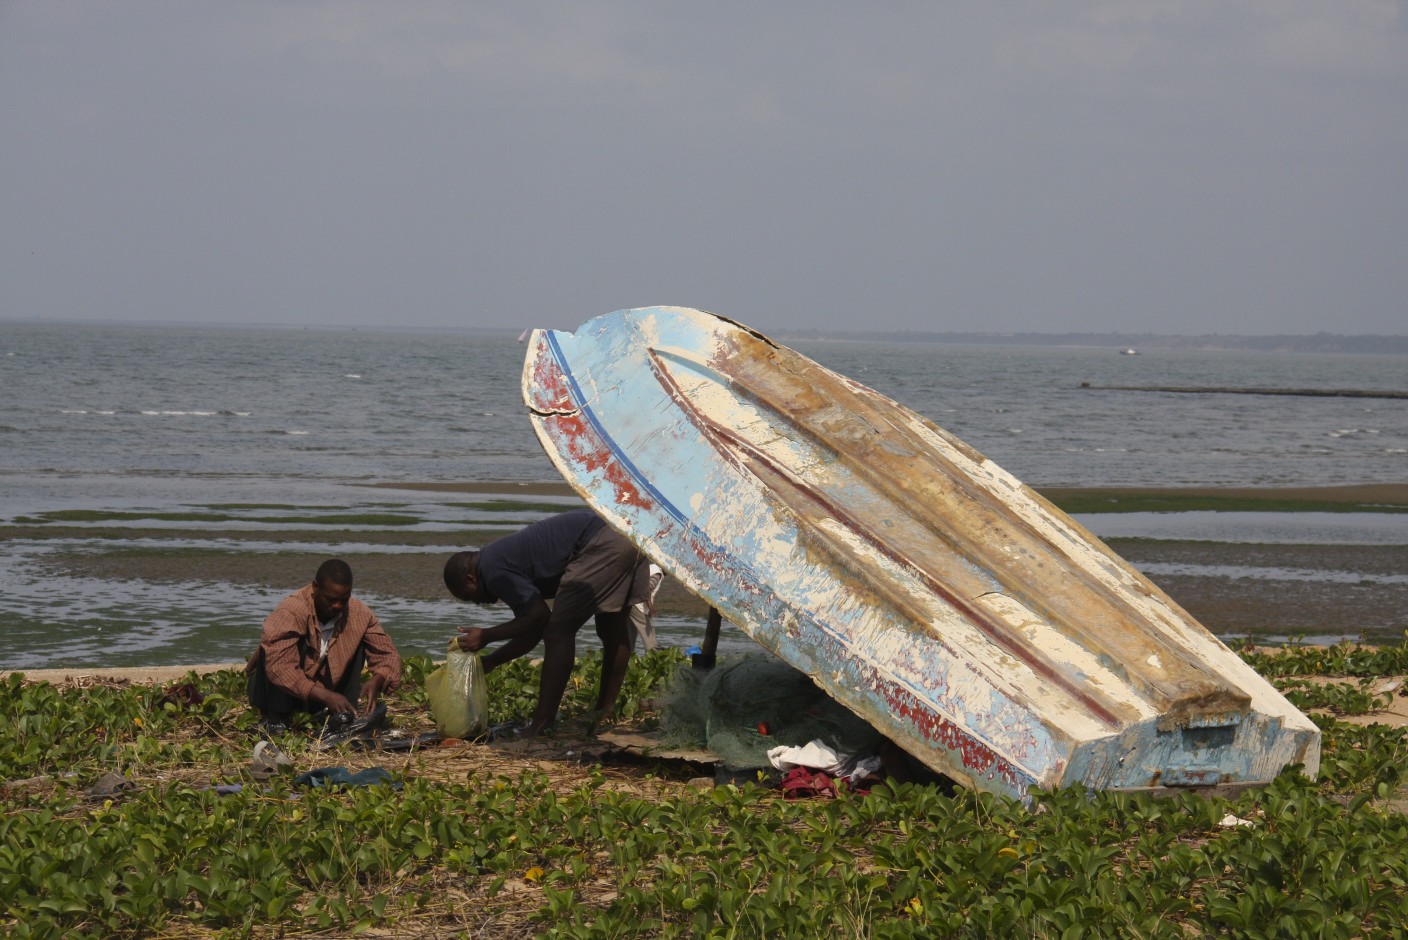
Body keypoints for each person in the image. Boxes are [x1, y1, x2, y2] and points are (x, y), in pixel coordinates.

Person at [443, 508, 649, 736]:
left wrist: (486, 636)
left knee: (558, 633)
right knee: (612, 630)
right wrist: (493, 660)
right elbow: (533, 627)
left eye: (469, 596)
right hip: (630, 533)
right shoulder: (494, 559)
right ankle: (603, 715)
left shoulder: (491, 570)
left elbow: (540, 617)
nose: (477, 603)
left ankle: (541, 723)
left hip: (601, 542)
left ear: (471, 579)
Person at [245, 558, 402, 730]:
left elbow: (387, 655)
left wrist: (377, 679)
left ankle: (345, 714)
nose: (338, 606)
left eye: (344, 600)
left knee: (360, 639)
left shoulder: (359, 613)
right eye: (331, 599)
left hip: (324, 696)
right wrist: (325, 696)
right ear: (315, 588)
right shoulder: (291, 611)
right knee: (277, 652)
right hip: (278, 696)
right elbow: (279, 668)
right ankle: (277, 720)